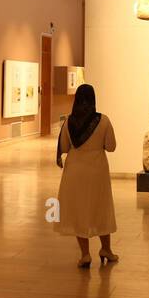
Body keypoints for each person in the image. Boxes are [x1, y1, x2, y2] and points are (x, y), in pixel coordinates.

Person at [54, 84, 118, 267]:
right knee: (101, 207)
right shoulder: (103, 120)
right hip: (97, 170)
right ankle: (106, 249)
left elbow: (65, 147)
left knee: (79, 210)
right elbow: (111, 146)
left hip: (74, 171)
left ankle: (85, 255)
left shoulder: (68, 121)